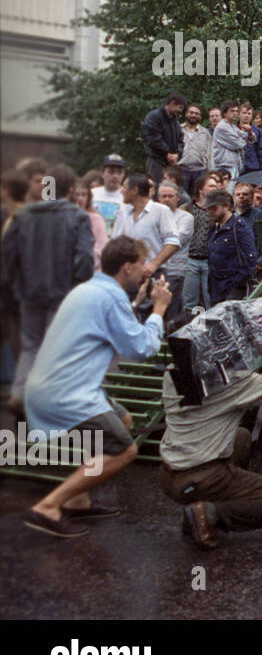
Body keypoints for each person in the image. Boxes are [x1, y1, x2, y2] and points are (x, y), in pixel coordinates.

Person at [20, 237, 172, 538]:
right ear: (127, 266)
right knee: (124, 451)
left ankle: (79, 498)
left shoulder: (90, 288)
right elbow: (141, 348)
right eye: (141, 263)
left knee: (123, 421)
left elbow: (110, 321)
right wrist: (159, 309)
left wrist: (139, 301)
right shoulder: (109, 296)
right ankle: (48, 507)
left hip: (49, 386)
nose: (145, 270)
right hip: (68, 394)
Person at [157, 319, 262, 550]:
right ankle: (209, 513)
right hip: (203, 477)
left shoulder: (172, 371)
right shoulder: (231, 381)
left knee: (241, 438)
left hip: (169, 475)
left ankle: (198, 513)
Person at [1, 164, 94, 412]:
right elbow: (85, 257)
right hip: (62, 293)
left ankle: (20, 392)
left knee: (30, 344)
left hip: (29, 292)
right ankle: (49, 401)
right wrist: (78, 285)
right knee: (57, 347)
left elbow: (9, 255)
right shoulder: (77, 217)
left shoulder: (23, 216)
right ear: (72, 189)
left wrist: (15, 283)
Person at [110, 174, 180, 292]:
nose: (121, 191)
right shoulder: (124, 212)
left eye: (124, 187)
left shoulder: (160, 211)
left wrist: (153, 264)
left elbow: (173, 242)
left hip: (152, 275)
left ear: (135, 190)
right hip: (126, 277)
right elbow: (115, 241)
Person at [205, 190, 258, 303]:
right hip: (216, 287)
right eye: (208, 209)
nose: (210, 212)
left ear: (226, 206)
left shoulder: (239, 227)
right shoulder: (214, 229)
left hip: (232, 288)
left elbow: (249, 259)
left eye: (214, 208)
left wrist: (237, 284)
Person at [155, 179, 194, 320]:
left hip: (176, 272)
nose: (166, 200)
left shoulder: (186, 217)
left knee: (171, 313)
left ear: (178, 198)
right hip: (154, 272)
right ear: (158, 198)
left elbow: (175, 240)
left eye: (170, 196)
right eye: (163, 196)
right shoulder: (152, 216)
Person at [185, 174, 221, 312]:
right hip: (190, 259)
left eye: (216, 186)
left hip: (208, 260)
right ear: (200, 190)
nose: (215, 188)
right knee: (189, 301)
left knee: (209, 299)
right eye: (211, 185)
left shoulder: (217, 210)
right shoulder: (187, 208)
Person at [140, 92, 186, 186]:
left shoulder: (175, 121)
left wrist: (177, 154)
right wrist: (167, 153)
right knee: (156, 188)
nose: (180, 111)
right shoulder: (153, 117)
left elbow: (180, 139)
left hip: (171, 163)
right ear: (172, 103)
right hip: (156, 160)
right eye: (180, 107)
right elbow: (152, 138)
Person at [72, 173, 109, 270]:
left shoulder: (96, 219)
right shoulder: (65, 217)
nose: (80, 198)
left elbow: (101, 248)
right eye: (77, 195)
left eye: (84, 195)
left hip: (91, 270)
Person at [177, 102, 213, 195]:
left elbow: (210, 153)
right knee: (181, 199)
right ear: (186, 114)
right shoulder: (178, 130)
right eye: (191, 112)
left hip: (200, 171)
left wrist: (210, 172)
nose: (193, 115)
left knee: (198, 198)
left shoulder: (205, 133)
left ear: (200, 117)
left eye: (196, 114)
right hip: (181, 170)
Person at [212, 100, 251, 177]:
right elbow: (239, 144)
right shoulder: (222, 127)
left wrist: (249, 132)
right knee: (226, 188)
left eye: (236, 111)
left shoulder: (233, 127)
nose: (235, 113)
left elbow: (248, 138)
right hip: (224, 166)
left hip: (233, 165)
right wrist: (244, 137)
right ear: (224, 113)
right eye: (232, 111)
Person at [91, 153, 128, 228]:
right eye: (111, 172)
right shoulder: (92, 194)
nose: (115, 176)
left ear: (123, 174)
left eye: (119, 172)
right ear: (102, 173)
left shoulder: (128, 196)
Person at [239, 102, 262, 174]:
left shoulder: (258, 131)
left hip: (253, 168)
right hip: (237, 168)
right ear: (239, 114)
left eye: (249, 113)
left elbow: (261, 152)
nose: (246, 115)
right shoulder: (232, 129)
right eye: (244, 113)